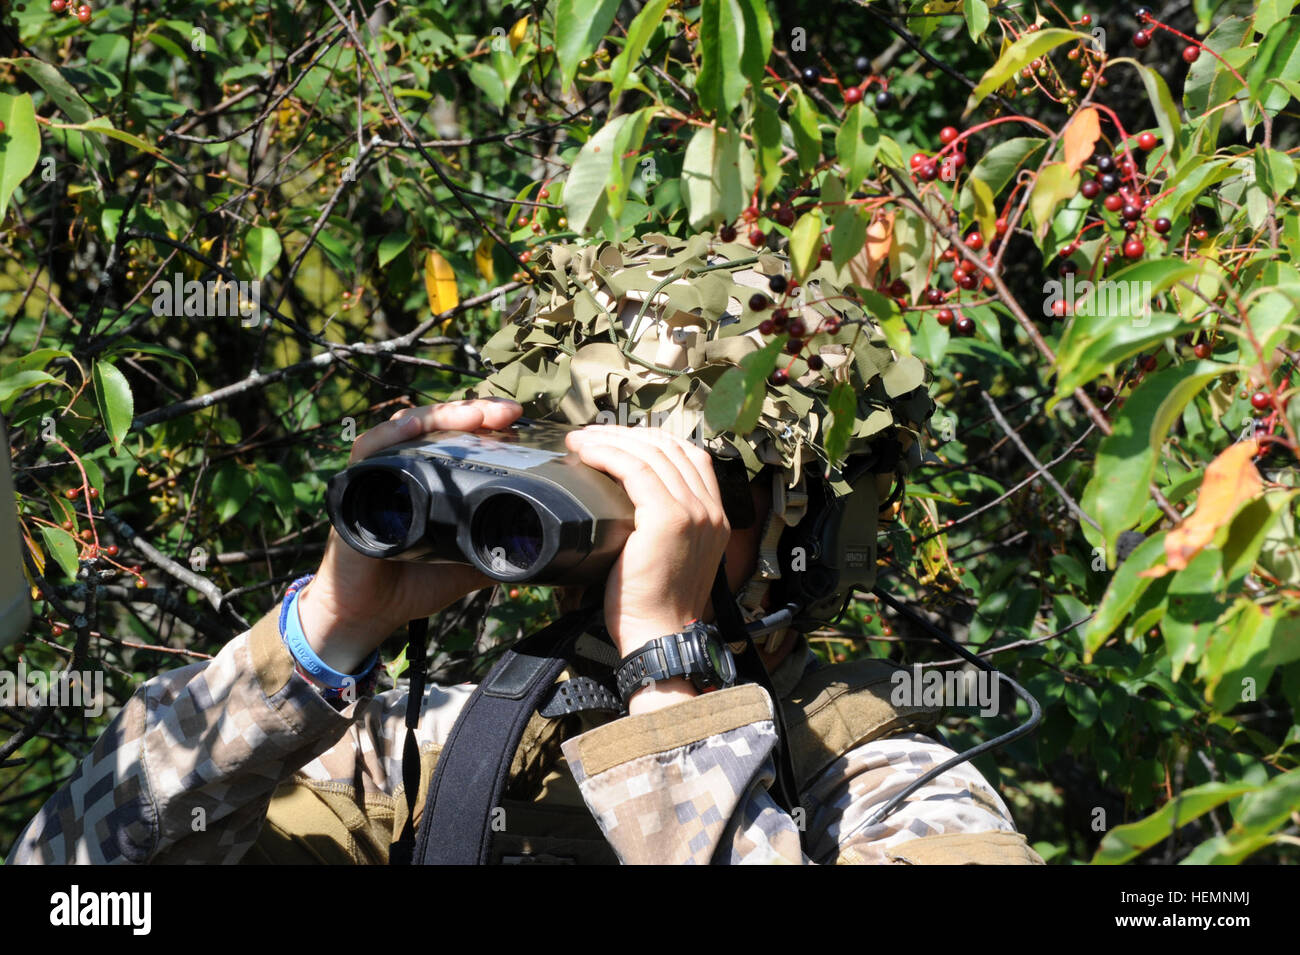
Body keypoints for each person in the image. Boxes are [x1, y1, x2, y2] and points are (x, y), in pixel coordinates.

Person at [9, 233, 1043, 865]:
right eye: (587, 472)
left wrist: (668, 679)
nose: (633, 522)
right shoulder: (436, 754)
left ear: (803, 529)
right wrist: (326, 631)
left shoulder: (889, 787)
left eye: (679, 485)